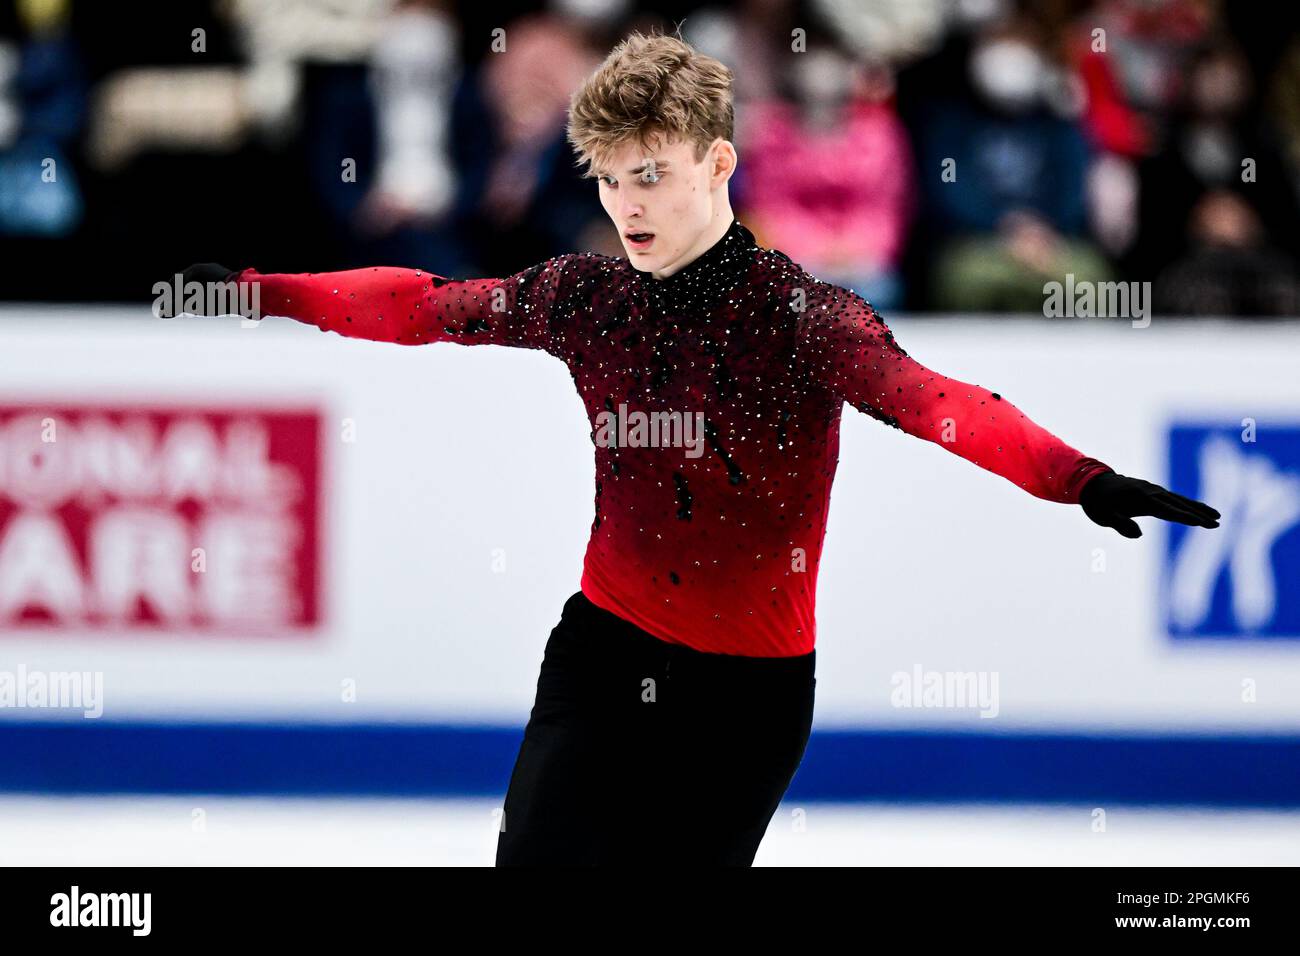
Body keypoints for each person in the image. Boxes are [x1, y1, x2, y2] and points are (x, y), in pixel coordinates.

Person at [167, 30, 1220, 866]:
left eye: (652, 176)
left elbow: (940, 404)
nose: (627, 205)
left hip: (746, 698)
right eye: (609, 178)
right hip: (605, 649)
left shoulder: (805, 319)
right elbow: (421, 307)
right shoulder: (582, 297)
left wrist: (1075, 478)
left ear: (718, 162)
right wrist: (262, 294)